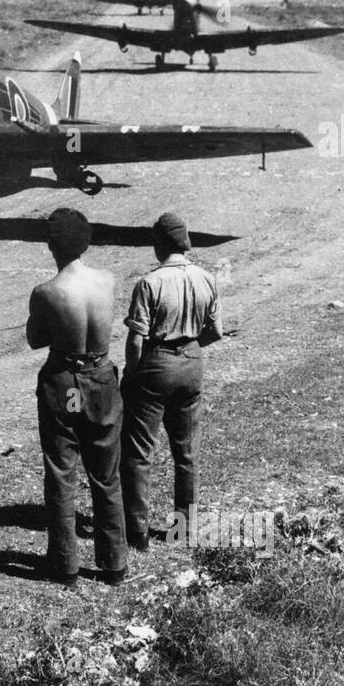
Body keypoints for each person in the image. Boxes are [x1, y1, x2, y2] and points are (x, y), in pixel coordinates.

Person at [26, 208, 128, 586]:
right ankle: (115, 562)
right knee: (105, 472)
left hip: (65, 383)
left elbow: (36, 339)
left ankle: (65, 564)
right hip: (100, 378)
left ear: (51, 245)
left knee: (61, 470)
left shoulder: (47, 292)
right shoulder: (108, 281)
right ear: (87, 241)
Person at [120, 212, 222, 549]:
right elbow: (215, 332)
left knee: (139, 452)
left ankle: (137, 531)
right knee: (186, 452)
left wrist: (133, 374)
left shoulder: (149, 283)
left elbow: (136, 340)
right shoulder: (206, 278)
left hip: (156, 363)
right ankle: (185, 529)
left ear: (159, 244)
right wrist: (189, 348)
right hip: (192, 361)